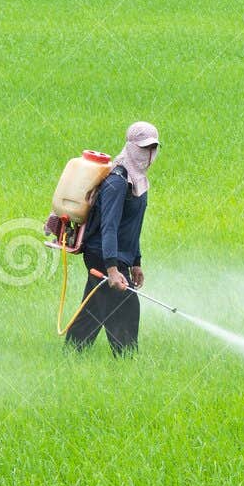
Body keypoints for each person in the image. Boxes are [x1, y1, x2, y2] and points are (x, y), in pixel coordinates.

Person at [65, 121, 159, 355]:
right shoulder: (117, 182)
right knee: (126, 309)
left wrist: (136, 261)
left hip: (118, 257)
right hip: (103, 255)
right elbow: (109, 228)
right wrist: (113, 269)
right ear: (130, 147)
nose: (147, 154)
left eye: (152, 148)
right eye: (143, 148)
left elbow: (132, 227)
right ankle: (127, 362)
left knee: (94, 308)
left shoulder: (138, 181)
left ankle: (72, 353)